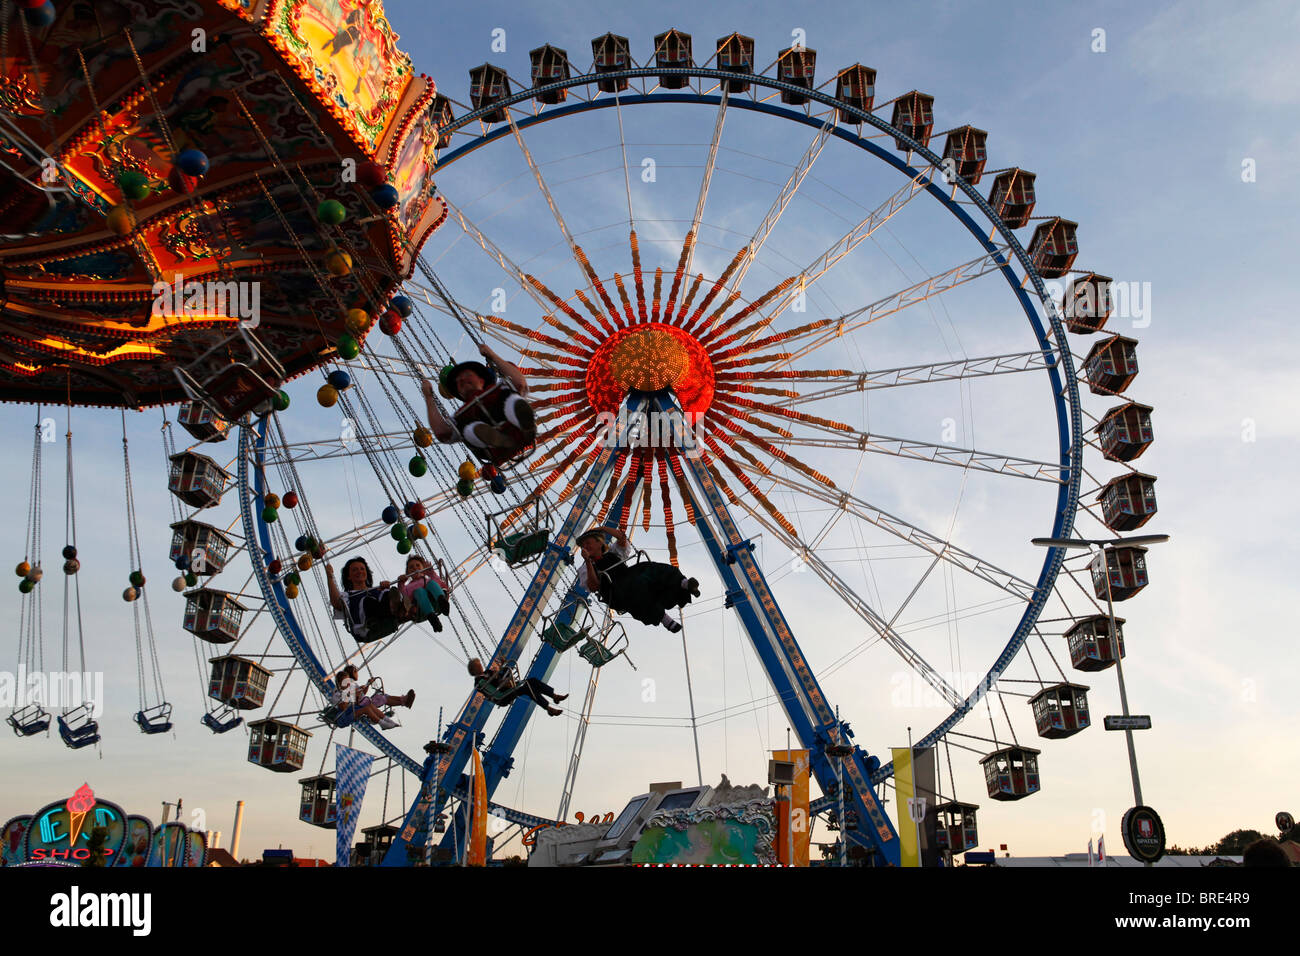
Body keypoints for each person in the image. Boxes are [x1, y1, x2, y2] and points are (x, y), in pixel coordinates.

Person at [420, 343, 535, 464]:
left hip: (513, 425)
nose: (462, 380)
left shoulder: (499, 389)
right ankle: (494, 438)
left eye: (467, 375)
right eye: (458, 382)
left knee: (509, 399)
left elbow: (519, 383)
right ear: (459, 392)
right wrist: (429, 397)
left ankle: (523, 420)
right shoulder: (460, 415)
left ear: (481, 380)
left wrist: (492, 355)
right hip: (491, 449)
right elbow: (441, 432)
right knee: (466, 428)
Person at [576, 526, 700, 633]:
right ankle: (663, 618)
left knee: (646, 567)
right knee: (635, 586)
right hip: (615, 592)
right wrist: (588, 561)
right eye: (583, 545)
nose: (586, 547)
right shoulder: (585, 569)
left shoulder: (614, 552)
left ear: (599, 543)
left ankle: (683, 583)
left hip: (630, 576)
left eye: (588, 543)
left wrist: (602, 529)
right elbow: (593, 586)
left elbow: (622, 538)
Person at [326, 557, 404, 643]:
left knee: (387, 593)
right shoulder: (348, 596)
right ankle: (378, 619)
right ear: (349, 576)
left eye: (362, 569)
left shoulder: (377, 590)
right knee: (368, 601)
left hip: (388, 622)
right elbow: (336, 603)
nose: (359, 571)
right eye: (355, 570)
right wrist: (330, 576)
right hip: (366, 631)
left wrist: (394, 586)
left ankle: (396, 610)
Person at [467, 658, 566, 716]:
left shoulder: (488, 672)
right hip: (502, 696)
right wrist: (502, 682)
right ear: (474, 670)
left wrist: (503, 666)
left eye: (479, 664)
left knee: (532, 681)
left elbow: (503, 676)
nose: (480, 666)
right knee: (527, 688)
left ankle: (554, 696)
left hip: (507, 689)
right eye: (478, 665)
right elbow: (492, 690)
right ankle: (548, 708)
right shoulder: (478, 682)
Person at [332, 664, 415, 730]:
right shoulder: (340, 692)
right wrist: (353, 694)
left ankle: (402, 702)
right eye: (356, 671)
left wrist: (364, 687)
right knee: (381, 698)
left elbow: (359, 696)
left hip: (359, 705)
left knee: (382, 696)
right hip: (351, 711)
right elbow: (344, 706)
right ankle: (401, 703)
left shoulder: (351, 686)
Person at [396, 554, 450, 632]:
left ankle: (442, 601)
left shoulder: (428, 579)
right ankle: (432, 618)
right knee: (419, 591)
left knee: (431, 583)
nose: (415, 568)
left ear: (423, 568)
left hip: (435, 598)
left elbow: (439, 583)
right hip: (420, 608)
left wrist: (430, 572)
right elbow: (404, 595)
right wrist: (401, 583)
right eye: (411, 567)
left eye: (418, 565)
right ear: (408, 573)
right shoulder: (408, 587)